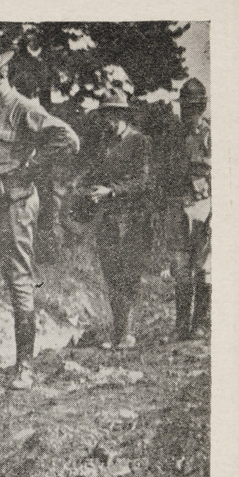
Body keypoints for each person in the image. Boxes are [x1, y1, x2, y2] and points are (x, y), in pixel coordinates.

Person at [0, 42, 80, 390]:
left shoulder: (23, 108)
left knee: (19, 282)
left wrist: (29, 169)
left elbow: (68, 139)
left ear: (4, 75)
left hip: (16, 204)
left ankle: (25, 367)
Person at [76, 89, 154, 349]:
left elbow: (143, 181)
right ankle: (117, 332)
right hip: (108, 217)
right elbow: (95, 174)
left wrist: (111, 190)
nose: (106, 120)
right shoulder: (104, 143)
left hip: (133, 218)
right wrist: (85, 188)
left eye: (110, 115)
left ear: (122, 115)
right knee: (111, 273)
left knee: (128, 273)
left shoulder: (140, 141)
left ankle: (127, 333)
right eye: (103, 115)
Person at [159, 78, 211, 340]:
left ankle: (200, 322)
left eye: (192, 108)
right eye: (184, 107)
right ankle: (181, 326)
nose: (186, 112)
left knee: (202, 267)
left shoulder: (210, 135)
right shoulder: (173, 136)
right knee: (180, 267)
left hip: (203, 207)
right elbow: (163, 173)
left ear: (201, 107)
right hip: (177, 206)